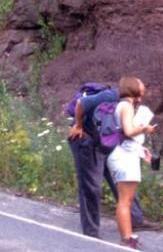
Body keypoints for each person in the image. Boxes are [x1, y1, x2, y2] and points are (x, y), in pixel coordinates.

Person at [67, 82, 146, 239]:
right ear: (130, 92)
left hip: (106, 143)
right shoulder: (109, 97)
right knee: (91, 186)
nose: (140, 99)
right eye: (139, 94)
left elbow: (123, 129)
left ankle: (135, 220)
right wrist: (78, 125)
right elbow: (81, 103)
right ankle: (91, 232)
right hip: (86, 140)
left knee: (124, 179)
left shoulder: (129, 105)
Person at [106, 77, 156, 249]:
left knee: (126, 199)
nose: (143, 89)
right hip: (125, 158)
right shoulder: (126, 106)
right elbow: (128, 131)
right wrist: (145, 129)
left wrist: (141, 150)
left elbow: (124, 136)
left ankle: (127, 236)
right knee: (125, 201)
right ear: (132, 88)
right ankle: (127, 239)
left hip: (122, 154)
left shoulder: (121, 105)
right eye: (141, 86)